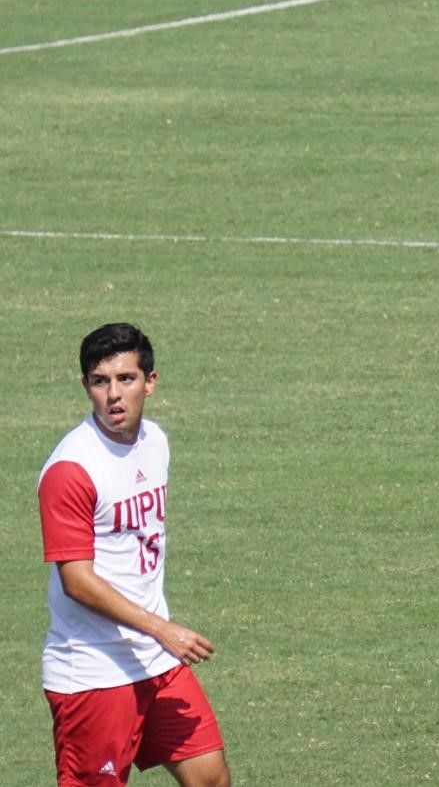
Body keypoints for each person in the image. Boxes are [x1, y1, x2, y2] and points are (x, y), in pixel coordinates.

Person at [38, 323, 230, 787]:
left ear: (151, 381)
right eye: (100, 381)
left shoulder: (155, 442)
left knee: (210, 777)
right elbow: (76, 580)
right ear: (86, 387)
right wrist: (163, 629)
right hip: (93, 669)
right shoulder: (71, 469)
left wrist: (158, 636)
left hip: (154, 661)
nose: (114, 395)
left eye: (126, 378)